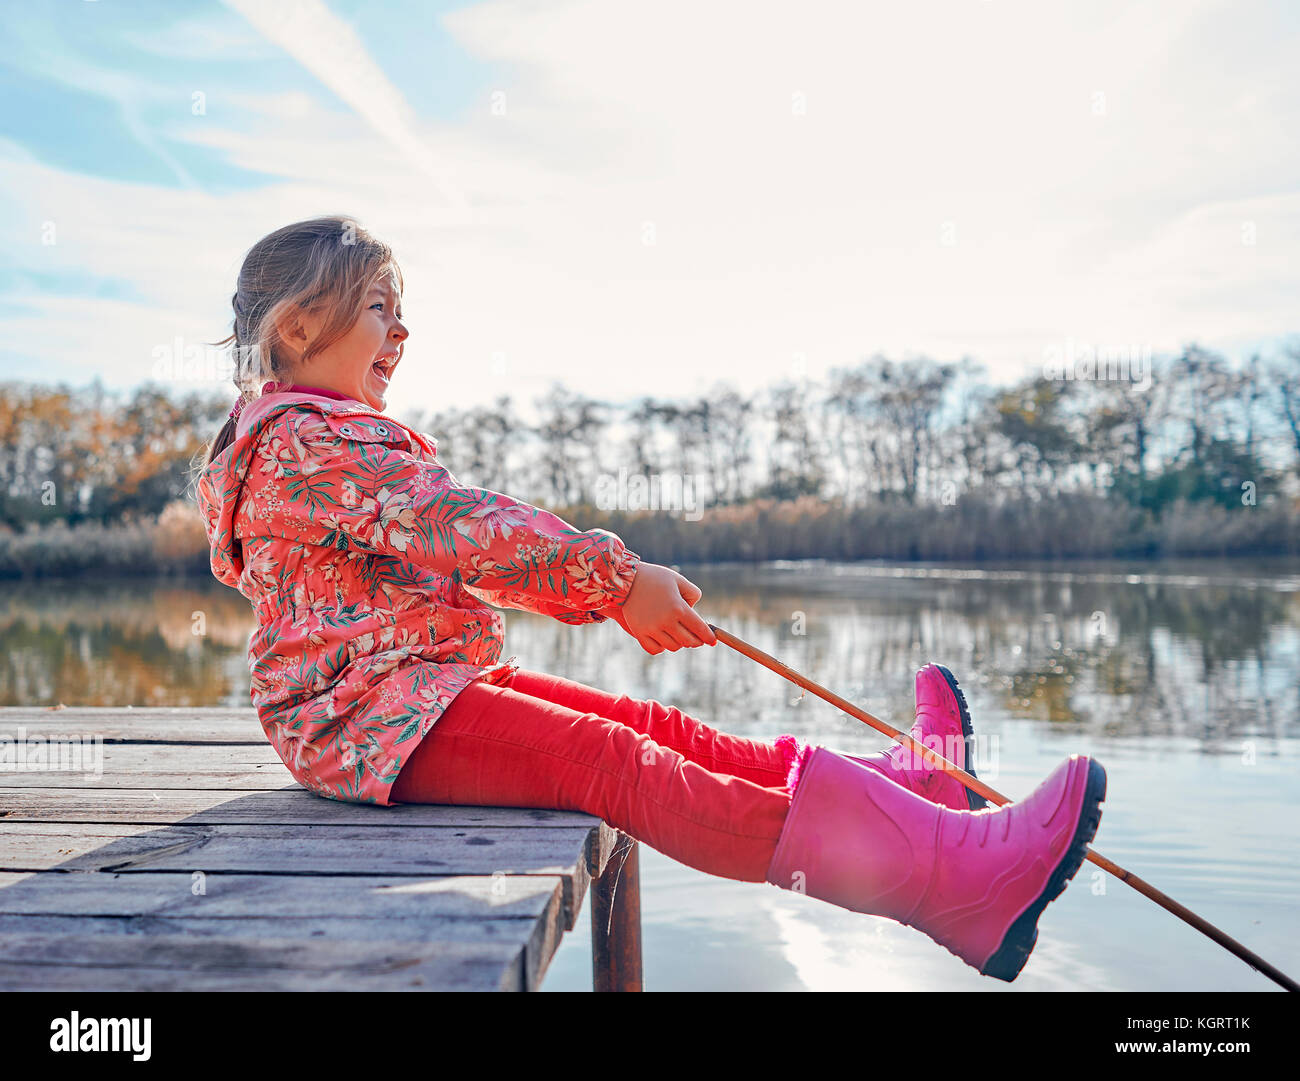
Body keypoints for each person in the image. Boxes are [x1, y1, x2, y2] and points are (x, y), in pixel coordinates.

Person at [191, 216, 1106, 982]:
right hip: (366, 722)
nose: (400, 333)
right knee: (616, 764)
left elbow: (454, 547)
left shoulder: (314, 438)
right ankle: (948, 880)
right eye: (378, 310)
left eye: (403, 313)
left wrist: (608, 587)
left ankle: (906, 794)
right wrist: (618, 582)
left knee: (643, 724)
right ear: (301, 326)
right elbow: (463, 527)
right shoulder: (310, 444)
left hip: (412, 695)